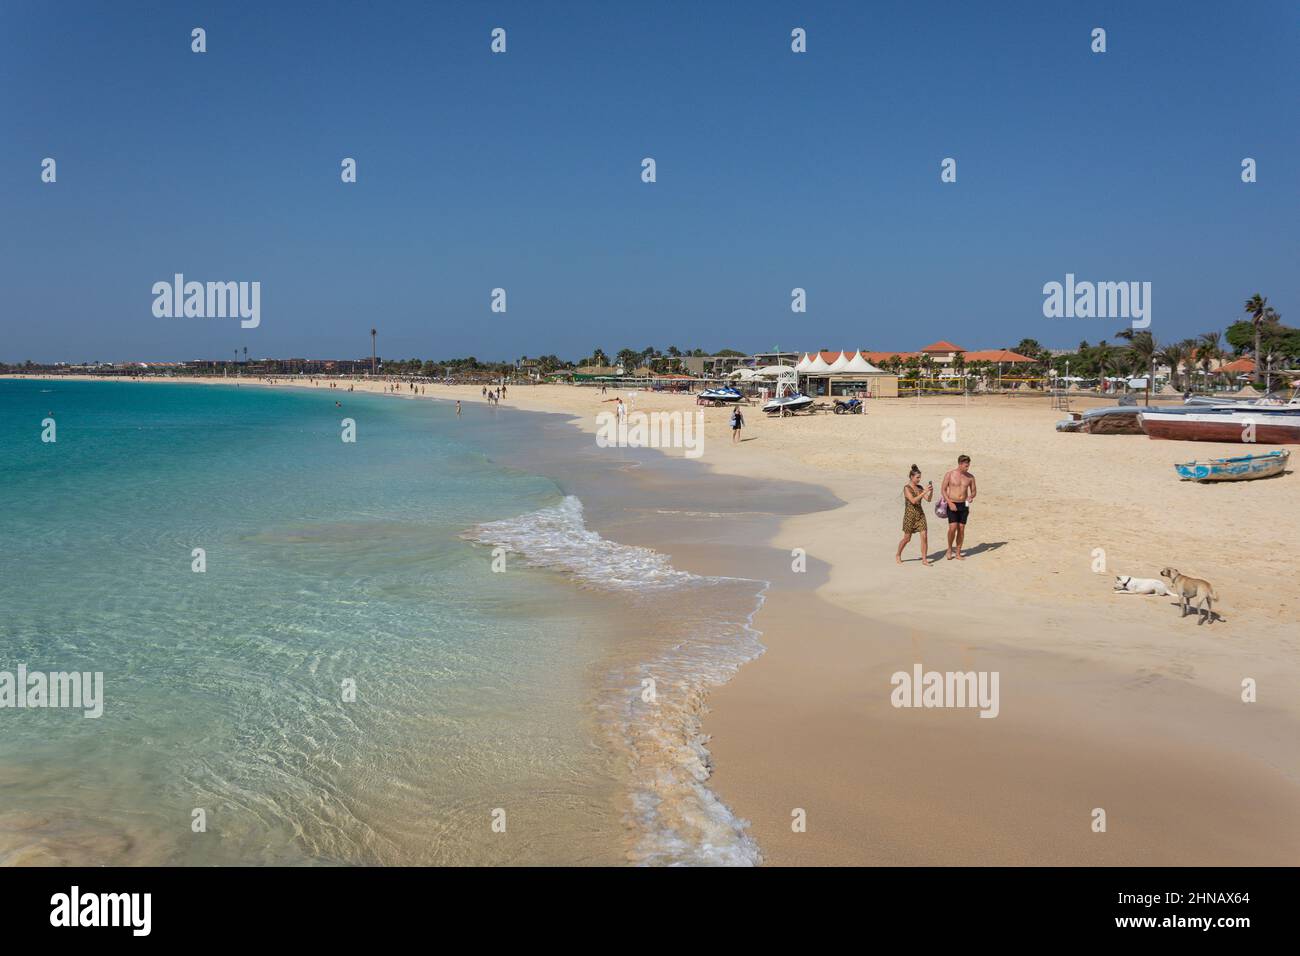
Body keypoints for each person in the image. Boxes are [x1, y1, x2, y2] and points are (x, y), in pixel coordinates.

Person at [940, 454, 977, 560]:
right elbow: (943, 489)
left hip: (964, 504)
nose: (967, 467)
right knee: (952, 528)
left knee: (961, 528)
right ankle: (949, 549)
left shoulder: (970, 477)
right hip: (952, 503)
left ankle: (958, 553)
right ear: (960, 464)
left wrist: (971, 497)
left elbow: (974, 491)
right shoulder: (950, 474)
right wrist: (949, 502)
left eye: (968, 465)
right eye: (966, 465)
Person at [896, 465, 933, 566]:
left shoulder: (920, 488)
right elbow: (913, 500)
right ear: (911, 477)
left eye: (920, 477)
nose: (919, 479)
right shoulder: (906, 488)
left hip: (920, 515)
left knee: (924, 536)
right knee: (907, 538)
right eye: (917, 477)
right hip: (909, 516)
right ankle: (898, 554)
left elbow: (928, 499)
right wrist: (923, 492)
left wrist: (930, 491)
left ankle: (924, 559)